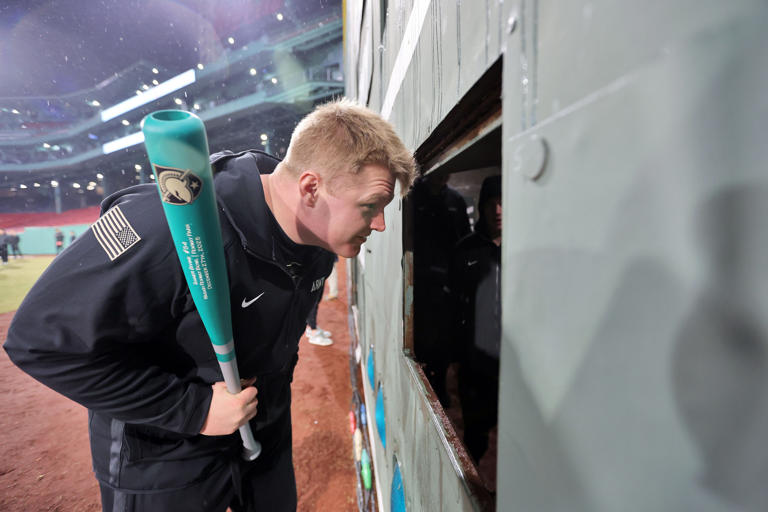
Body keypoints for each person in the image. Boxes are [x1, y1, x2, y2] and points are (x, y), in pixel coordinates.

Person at [4, 99, 417, 512]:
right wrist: (195, 410)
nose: (380, 223)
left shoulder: (320, 240)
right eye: (370, 206)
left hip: (263, 433)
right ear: (311, 189)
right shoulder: (161, 225)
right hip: (164, 458)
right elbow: (38, 341)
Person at [451, 175, 502, 463]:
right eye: (491, 203)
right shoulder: (465, 249)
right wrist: (455, 357)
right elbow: (452, 306)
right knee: (475, 435)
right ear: (482, 207)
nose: (498, 211)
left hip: (513, 364)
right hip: (475, 364)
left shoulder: (524, 247)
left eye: (504, 202)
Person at [412, 172, 471, 407]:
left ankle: (439, 386)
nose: (441, 177)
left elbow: (464, 241)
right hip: (418, 283)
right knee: (420, 337)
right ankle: (422, 383)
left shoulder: (455, 200)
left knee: (444, 338)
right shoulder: (412, 197)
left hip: (447, 285)